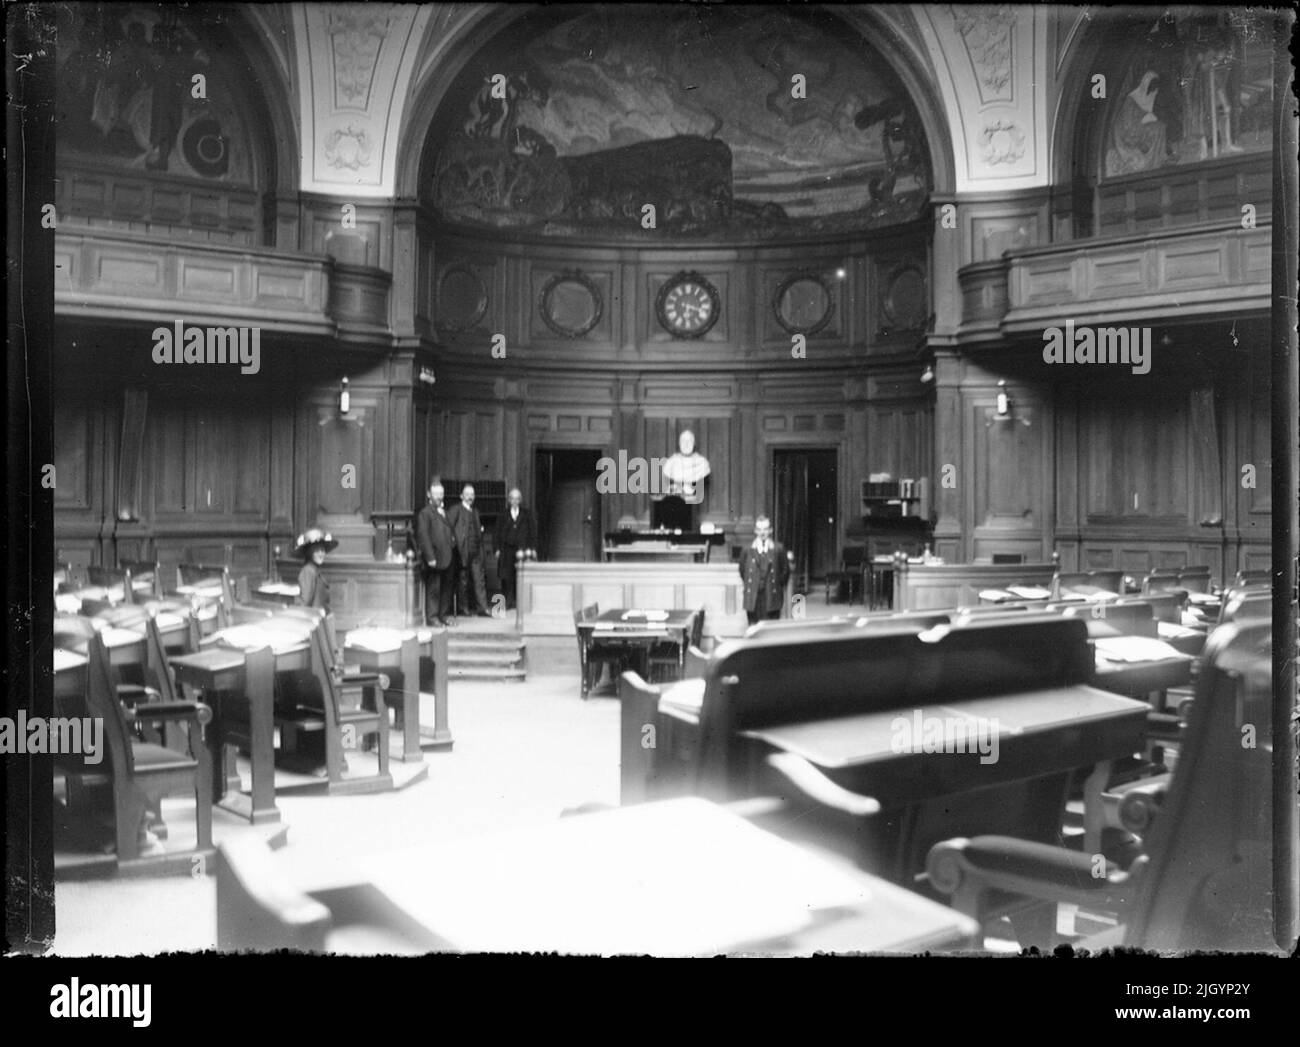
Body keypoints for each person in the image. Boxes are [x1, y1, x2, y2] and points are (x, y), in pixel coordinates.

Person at [416, 481, 458, 627]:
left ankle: (443, 615)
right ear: (429, 495)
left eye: (441, 494)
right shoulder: (425, 513)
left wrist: (453, 542)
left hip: (447, 557)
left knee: (446, 589)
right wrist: (430, 557)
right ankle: (432, 617)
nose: (439, 497)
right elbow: (423, 536)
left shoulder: (444, 512)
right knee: (434, 589)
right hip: (435, 558)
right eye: (436, 494)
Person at [739, 514, 792, 625]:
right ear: (755, 531)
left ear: (770, 530)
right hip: (753, 598)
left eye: (765, 529)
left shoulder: (778, 549)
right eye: (759, 529)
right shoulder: (747, 550)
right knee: (754, 630)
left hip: (771, 596)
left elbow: (785, 571)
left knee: (770, 631)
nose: (762, 532)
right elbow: (742, 571)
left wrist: (776, 585)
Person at [448, 483, 490, 617]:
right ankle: (463, 609)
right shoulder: (455, 510)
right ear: (461, 496)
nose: (470, 497)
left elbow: (479, 533)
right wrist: (454, 546)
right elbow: (448, 528)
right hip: (462, 552)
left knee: (479, 580)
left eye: (472, 494)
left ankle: (482, 608)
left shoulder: (475, 512)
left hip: (476, 552)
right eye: (467, 494)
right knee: (463, 581)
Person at [492, 487, 536, 611]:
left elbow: (532, 532)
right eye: (512, 498)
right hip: (506, 550)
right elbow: (496, 532)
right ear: (509, 500)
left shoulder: (527, 514)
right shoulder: (503, 514)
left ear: (520, 500)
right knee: (506, 577)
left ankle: (519, 603)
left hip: (522, 551)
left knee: (521, 576)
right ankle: (505, 604)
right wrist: (496, 549)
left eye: (517, 498)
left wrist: (532, 548)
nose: (514, 501)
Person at [659, 429, 711, 504]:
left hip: (691, 493)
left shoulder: (702, 463)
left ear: (694, 444)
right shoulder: (671, 462)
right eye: (683, 441)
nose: (686, 444)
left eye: (689, 441)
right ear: (679, 443)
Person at [294, 527, 338, 612]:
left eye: (322, 550)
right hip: (313, 619)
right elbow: (305, 602)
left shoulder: (314, 570)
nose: (321, 554)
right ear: (309, 553)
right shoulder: (308, 571)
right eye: (317, 550)